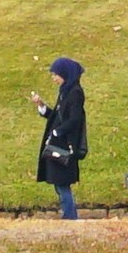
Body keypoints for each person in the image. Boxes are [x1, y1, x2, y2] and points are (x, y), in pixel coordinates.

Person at [35, 55, 89, 218]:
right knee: (59, 184)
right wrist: (41, 106)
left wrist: (58, 132)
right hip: (59, 144)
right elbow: (58, 116)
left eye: (55, 75)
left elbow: (74, 119)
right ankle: (69, 214)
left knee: (62, 183)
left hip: (64, 145)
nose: (54, 79)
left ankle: (70, 216)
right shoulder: (66, 91)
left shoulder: (75, 93)